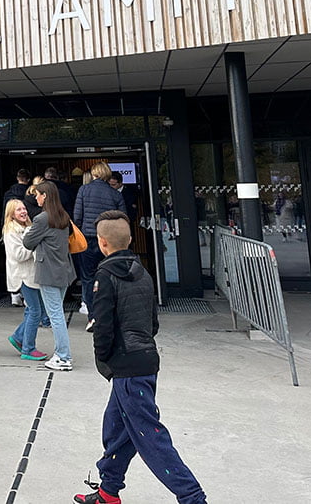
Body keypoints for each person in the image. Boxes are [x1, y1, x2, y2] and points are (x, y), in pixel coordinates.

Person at [73, 211, 207, 504]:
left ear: (102, 243)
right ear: (130, 240)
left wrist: (103, 360)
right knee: (116, 428)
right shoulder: (143, 272)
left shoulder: (105, 276)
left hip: (126, 366)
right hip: (143, 359)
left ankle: (193, 498)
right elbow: (153, 322)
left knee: (150, 435)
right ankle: (109, 491)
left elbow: (103, 326)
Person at [21, 181, 75, 371]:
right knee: (57, 312)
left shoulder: (42, 219)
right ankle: (62, 354)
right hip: (64, 271)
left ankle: (63, 356)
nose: (36, 197)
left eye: (38, 194)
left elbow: (28, 242)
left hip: (49, 272)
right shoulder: (63, 216)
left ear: (45, 196)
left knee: (55, 315)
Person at [74, 162, 123, 328]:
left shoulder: (83, 190)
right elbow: (122, 218)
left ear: (94, 174)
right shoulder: (115, 194)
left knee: (88, 278)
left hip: (87, 238)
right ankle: (109, 314)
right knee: (110, 275)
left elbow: (77, 216)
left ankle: (92, 317)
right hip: (108, 240)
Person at [2, 197, 49, 361]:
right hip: (23, 276)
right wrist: (36, 244)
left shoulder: (28, 228)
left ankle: (18, 337)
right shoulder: (11, 232)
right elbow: (19, 255)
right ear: (11, 214)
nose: (23, 212)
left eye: (23, 208)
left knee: (35, 310)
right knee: (35, 311)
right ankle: (28, 348)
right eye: (18, 210)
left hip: (32, 275)